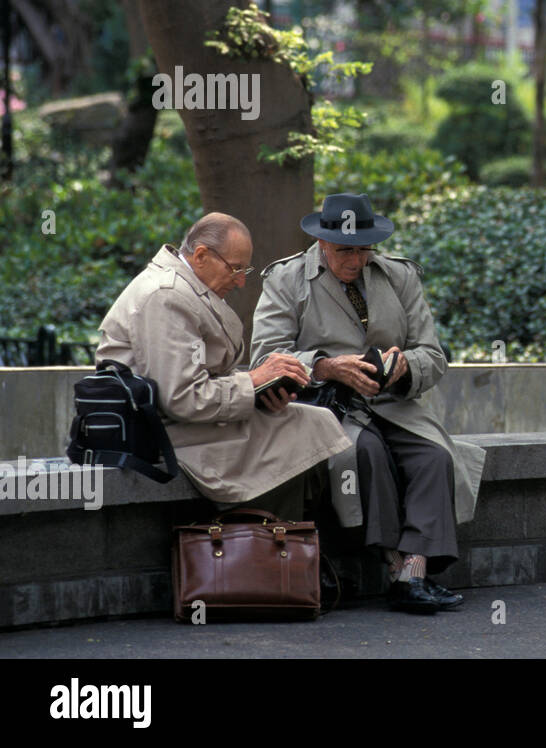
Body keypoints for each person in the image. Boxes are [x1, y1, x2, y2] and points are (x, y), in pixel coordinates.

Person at [251, 193, 485, 614]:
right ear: (322, 243)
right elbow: (266, 357)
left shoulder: (400, 276)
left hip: (394, 404)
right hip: (327, 408)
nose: (356, 261)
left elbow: (433, 355)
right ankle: (398, 568)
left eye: (363, 250)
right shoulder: (286, 279)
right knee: (366, 453)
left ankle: (414, 569)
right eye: (345, 251)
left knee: (435, 457)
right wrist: (324, 367)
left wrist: (403, 365)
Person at [95, 213, 352, 521]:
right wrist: (252, 381)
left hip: (188, 423)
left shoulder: (189, 287)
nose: (242, 280)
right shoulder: (166, 296)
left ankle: (299, 544)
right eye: (236, 268)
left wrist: (261, 389)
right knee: (307, 429)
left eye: (246, 269)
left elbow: (202, 377)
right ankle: (274, 541)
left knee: (310, 420)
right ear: (201, 255)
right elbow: (183, 398)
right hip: (166, 431)